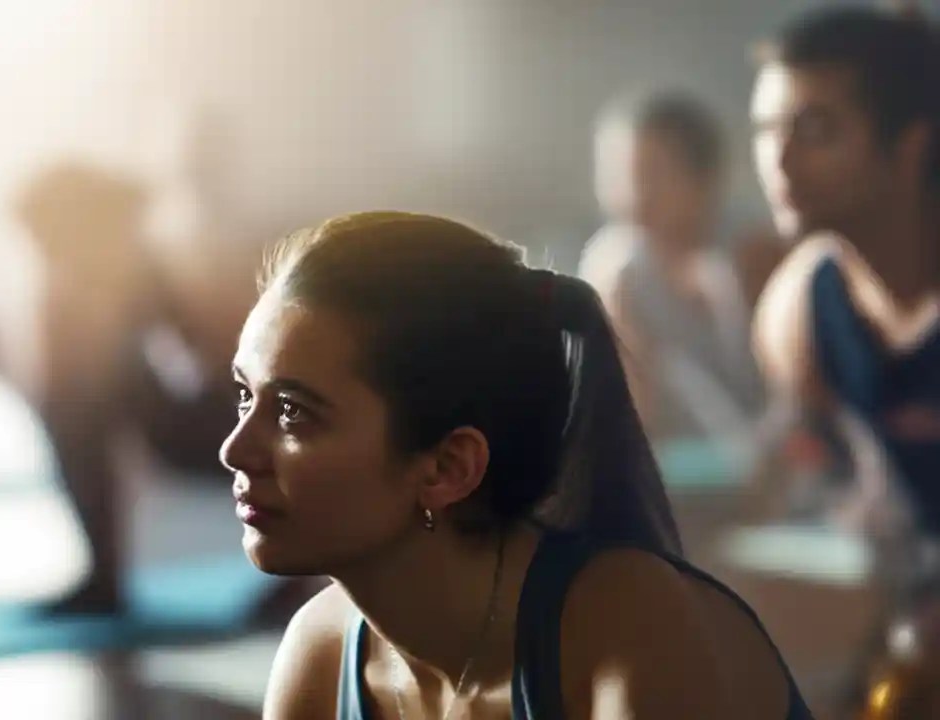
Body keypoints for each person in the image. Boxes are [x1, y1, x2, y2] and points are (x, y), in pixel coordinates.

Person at [222, 212, 813, 719]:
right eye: (246, 396)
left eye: (294, 413)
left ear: (448, 467)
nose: (235, 449)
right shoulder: (322, 656)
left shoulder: (623, 621)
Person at [748, 6, 940, 715]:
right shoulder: (798, 307)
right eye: (766, 131)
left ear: (912, 147)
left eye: (815, 129)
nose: (780, 160)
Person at [16, 162, 243, 614]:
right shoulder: (85, 284)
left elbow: (219, 354)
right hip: (186, 417)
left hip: (237, 416)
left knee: (77, 406)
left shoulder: (136, 272)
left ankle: (307, 579)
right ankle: (103, 576)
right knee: (72, 407)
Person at [581, 92, 766, 444]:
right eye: (616, 173)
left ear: (705, 177)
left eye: (651, 174)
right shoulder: (617, 267)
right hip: (691, 462)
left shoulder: (752, 248)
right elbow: (631, 401)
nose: (633, 193)